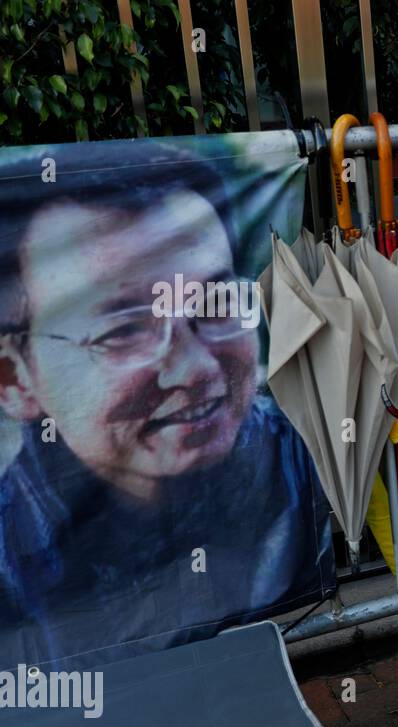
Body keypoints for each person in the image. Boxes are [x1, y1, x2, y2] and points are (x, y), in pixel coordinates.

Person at [0, 143, 332, 670]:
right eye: (125, 330)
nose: (195, 369)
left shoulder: (299, 462)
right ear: (15, 377)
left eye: (216, 304)